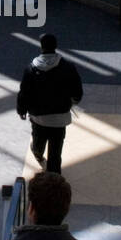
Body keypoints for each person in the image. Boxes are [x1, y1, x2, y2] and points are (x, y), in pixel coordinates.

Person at [16, 33, 84, 176]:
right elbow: (77, 90)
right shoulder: (68, 67)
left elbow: (24, 93)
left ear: (41, 47)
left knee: (38, 143)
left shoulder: (31, 69)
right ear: (55, 46)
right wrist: (73, 101)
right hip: (60, 119)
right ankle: (55, 182)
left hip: (38, 117)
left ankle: (38, 153)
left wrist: (21, 109)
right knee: (55, 154)